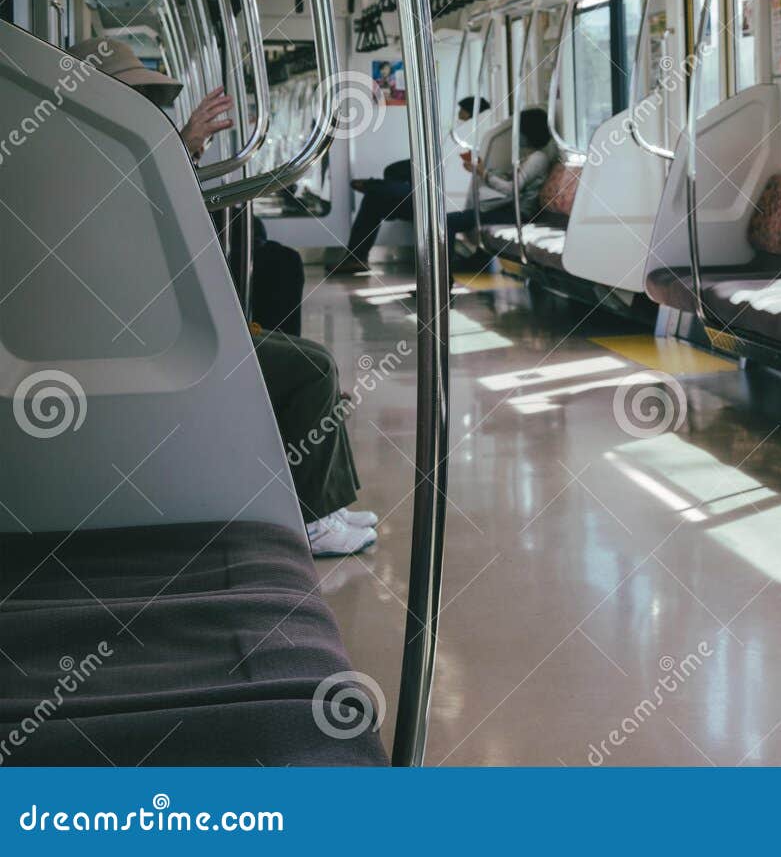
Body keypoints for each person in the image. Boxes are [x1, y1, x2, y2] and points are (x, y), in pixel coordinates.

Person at [68, 38, 378, 556]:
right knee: (313, 368)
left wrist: (186, 147)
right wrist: (184, 145)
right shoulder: (90, 163)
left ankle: (329, 504)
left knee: (310, 356)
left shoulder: (99, 156)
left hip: (155, 320)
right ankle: (314, 518)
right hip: (147, 336)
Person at [330, 95, 492, 274]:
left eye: (462, 111)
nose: (458, 114)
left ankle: (375, 187)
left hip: (439, 200)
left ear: (470, 114)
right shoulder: (461, 136)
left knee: (376, 196)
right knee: (375, 197)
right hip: (427, 193)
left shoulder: (472, 140)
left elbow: (448, 175)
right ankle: (356, 257)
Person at [445, 106, 556, 246]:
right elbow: (510, 178)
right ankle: (473, 261)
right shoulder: (530, 156)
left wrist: (482, 173)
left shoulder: (538, 158)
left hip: (519, 214)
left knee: (449, 221)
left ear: (528, 133)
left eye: (518, 131)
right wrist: (481, 170)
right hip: (510, 209)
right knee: (464, 216)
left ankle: (447, 266)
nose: (515, 136)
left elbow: (511, 189)